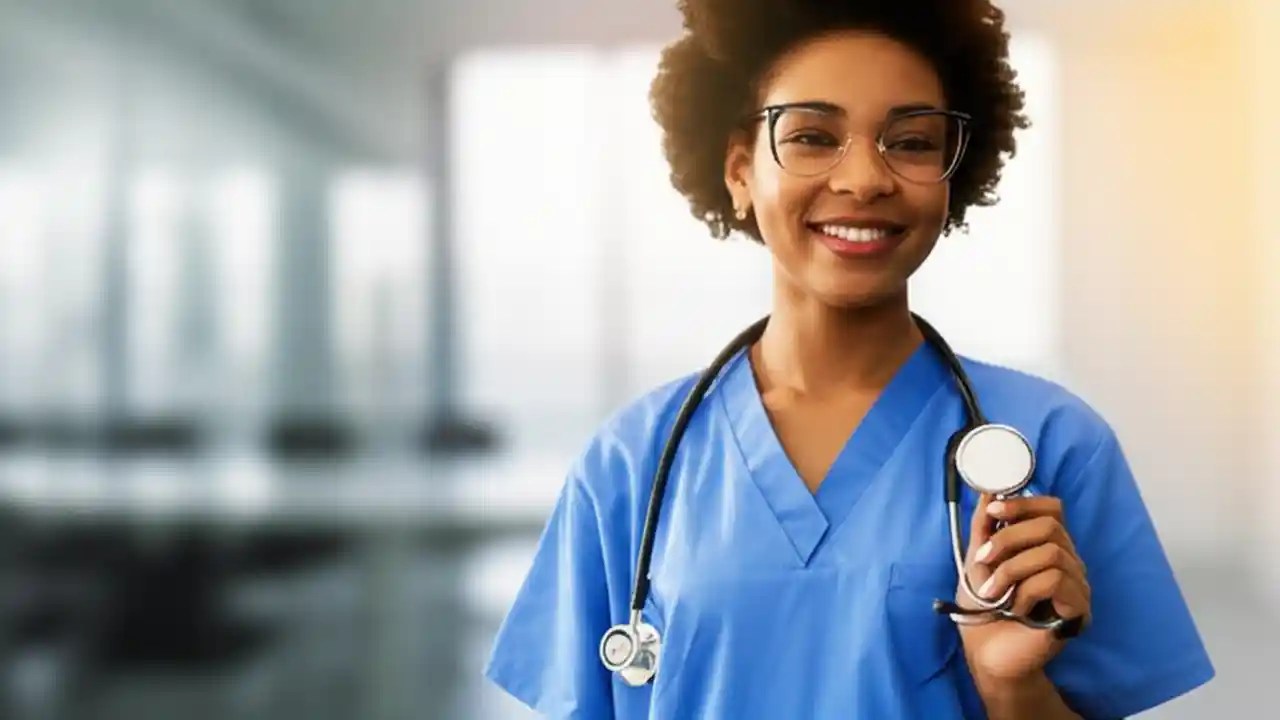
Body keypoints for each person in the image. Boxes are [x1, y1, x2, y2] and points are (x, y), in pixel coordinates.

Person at [484, 0, 1215, 717]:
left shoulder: (1055, 444)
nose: (865, 178)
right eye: (811, 136)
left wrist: (1010, 687)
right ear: (739, 172)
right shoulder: (631, 462)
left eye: (913, 141)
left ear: (952, 175)